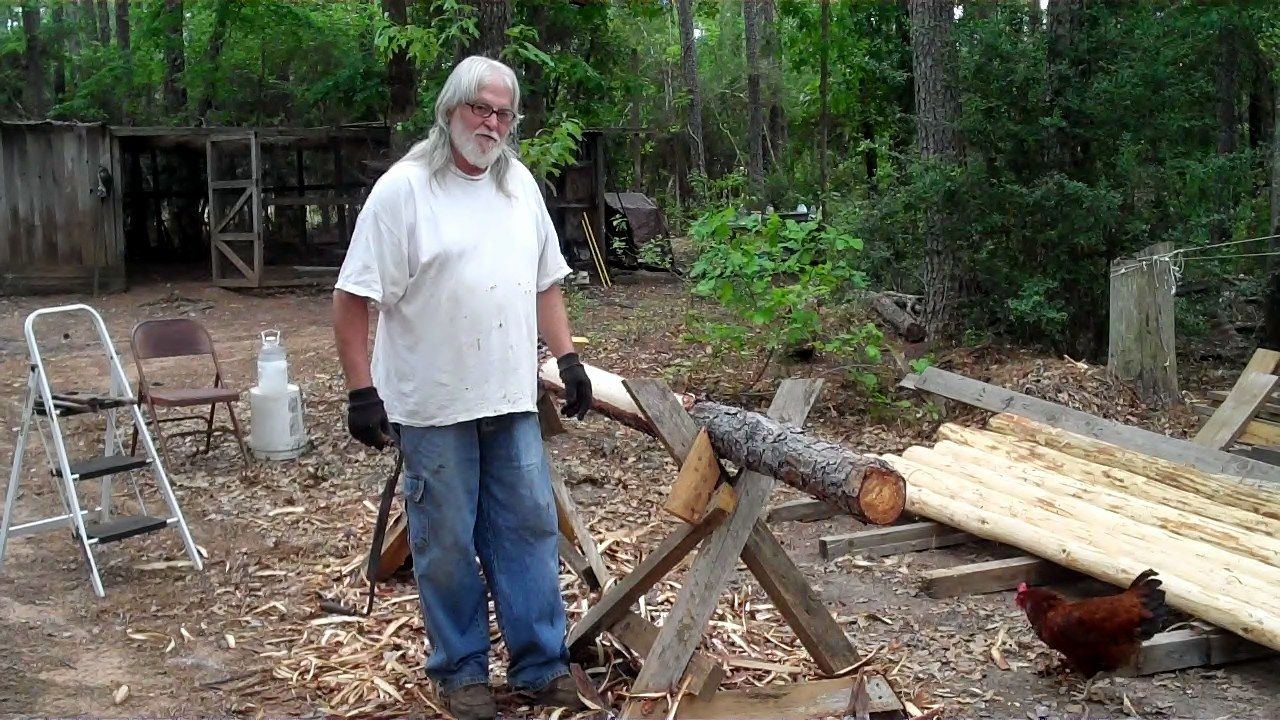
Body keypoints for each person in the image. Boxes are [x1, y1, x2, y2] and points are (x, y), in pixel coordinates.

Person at [331, 55, 593, 720]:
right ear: (450, 109)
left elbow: (544, 284)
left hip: (510, 397)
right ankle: (462, 672)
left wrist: (567, 362)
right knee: (445, 540)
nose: (492, 122)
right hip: (431, 402)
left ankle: (541, 666)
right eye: (480, 107)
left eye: (504, 112)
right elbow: (351, 298)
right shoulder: (405, 190)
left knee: (529, 528)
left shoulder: (518, 187)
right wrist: (362, 392)